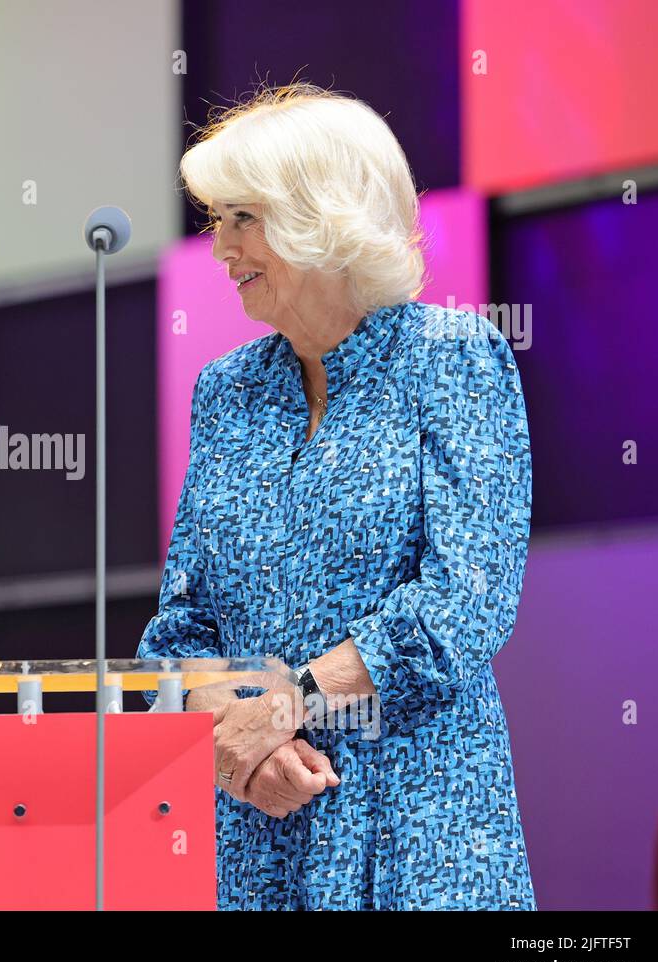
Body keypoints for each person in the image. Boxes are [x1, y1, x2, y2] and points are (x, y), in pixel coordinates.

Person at [137, 84, 536, 910]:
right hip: (259, 830)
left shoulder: (452, 358)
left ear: (325, 218)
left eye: (242, 218)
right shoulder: (226, 392)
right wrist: (236, 745)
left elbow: (464, 602)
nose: (220, 248)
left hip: (419, 833)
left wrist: (286, 704)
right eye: (217, 219)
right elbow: (179, 629)